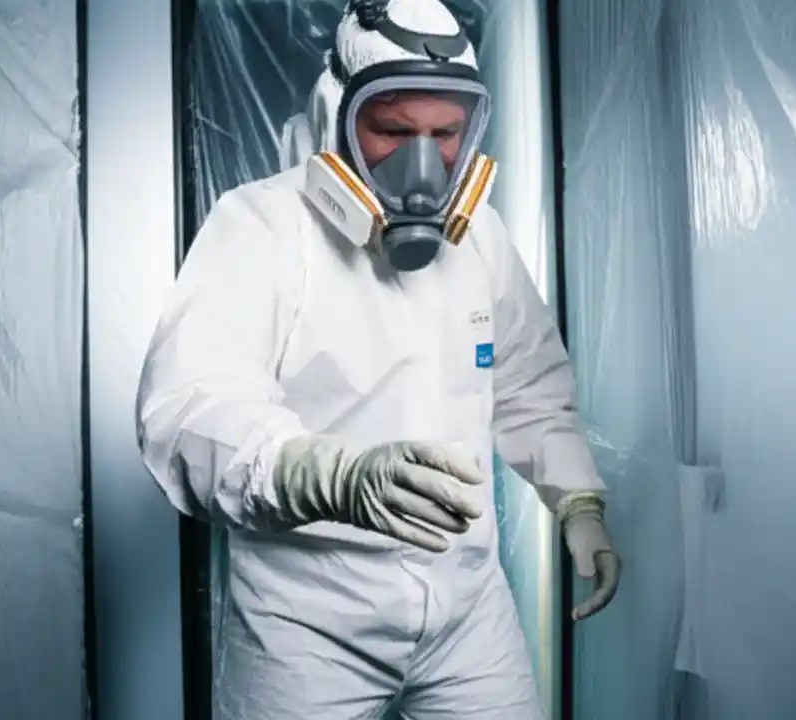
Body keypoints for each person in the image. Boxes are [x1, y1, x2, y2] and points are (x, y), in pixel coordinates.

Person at [136, 1, 620, 717]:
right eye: (394, 131)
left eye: (446, 134)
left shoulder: (479, 237)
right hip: (305, 625)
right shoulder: (261, 227)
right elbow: (189, 411)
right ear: (337, 115)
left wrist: (578, 501)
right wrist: (335, 477)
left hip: (467, 611)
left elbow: (529, 388)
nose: (424, 165)